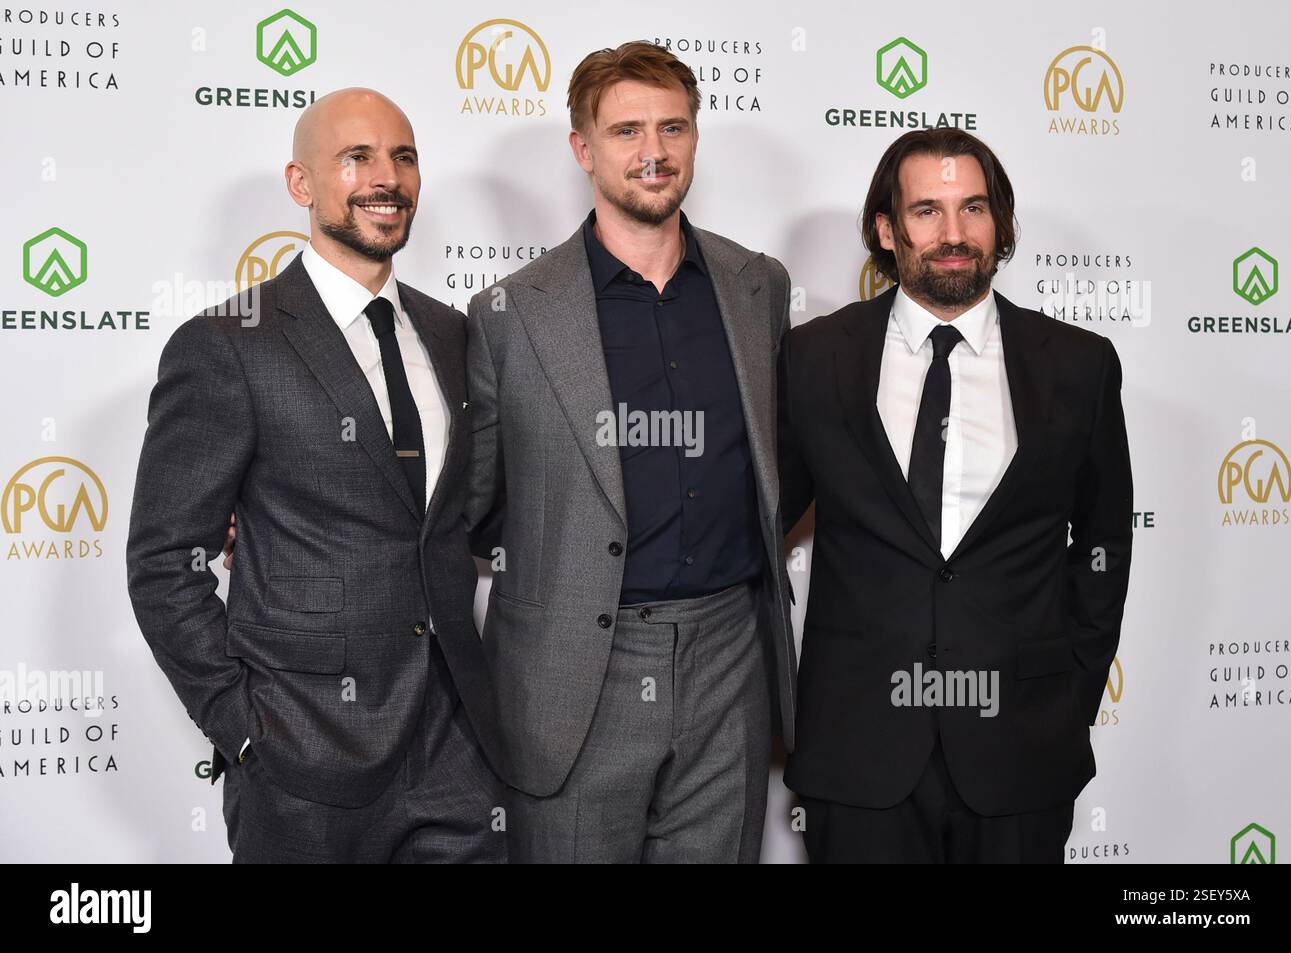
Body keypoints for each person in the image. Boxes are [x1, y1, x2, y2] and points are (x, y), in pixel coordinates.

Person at [126, 88, 506, 863]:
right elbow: (165, 562)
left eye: (403, 156)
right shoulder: (229, 344)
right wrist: (243, 728)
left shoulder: (452, 331)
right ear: (302, 184)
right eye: (356, 156)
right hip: (302, 763)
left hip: (457, 754)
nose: (386, 177)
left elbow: (465, 516)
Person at [464, 42, 797, 863]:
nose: (653, 151)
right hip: (577, 669)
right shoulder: (510, 314)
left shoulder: (759, 286)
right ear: (583, 148)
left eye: (672, 127)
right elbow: (475, 503)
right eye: (626, 131)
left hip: (730, 655)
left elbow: (782, 463)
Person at [778, 127, 1133, 863]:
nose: (953, 234)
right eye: (927, 211)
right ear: (888, 228)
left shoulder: (1079, 365)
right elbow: (760, 524)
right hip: (857, 750)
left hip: (1020, 749)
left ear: (999, 224)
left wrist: (1067, 701)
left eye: (973, 209)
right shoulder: (815, 357)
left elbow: (1103, 544)